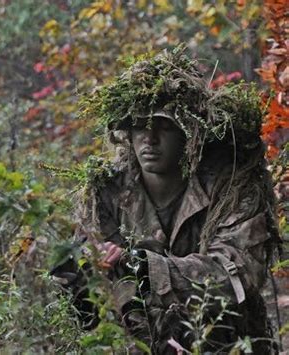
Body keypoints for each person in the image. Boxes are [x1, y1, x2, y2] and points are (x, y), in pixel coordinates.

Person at [51, 49, 280, 353]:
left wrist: (141, 266)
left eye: (165, 125)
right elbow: (91, 304)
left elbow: (236, 275)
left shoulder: (231, 185)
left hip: (222, 343)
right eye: (138, 125)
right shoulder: (105, 191)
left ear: (191, 133)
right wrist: (81, 273)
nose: (149, 137)